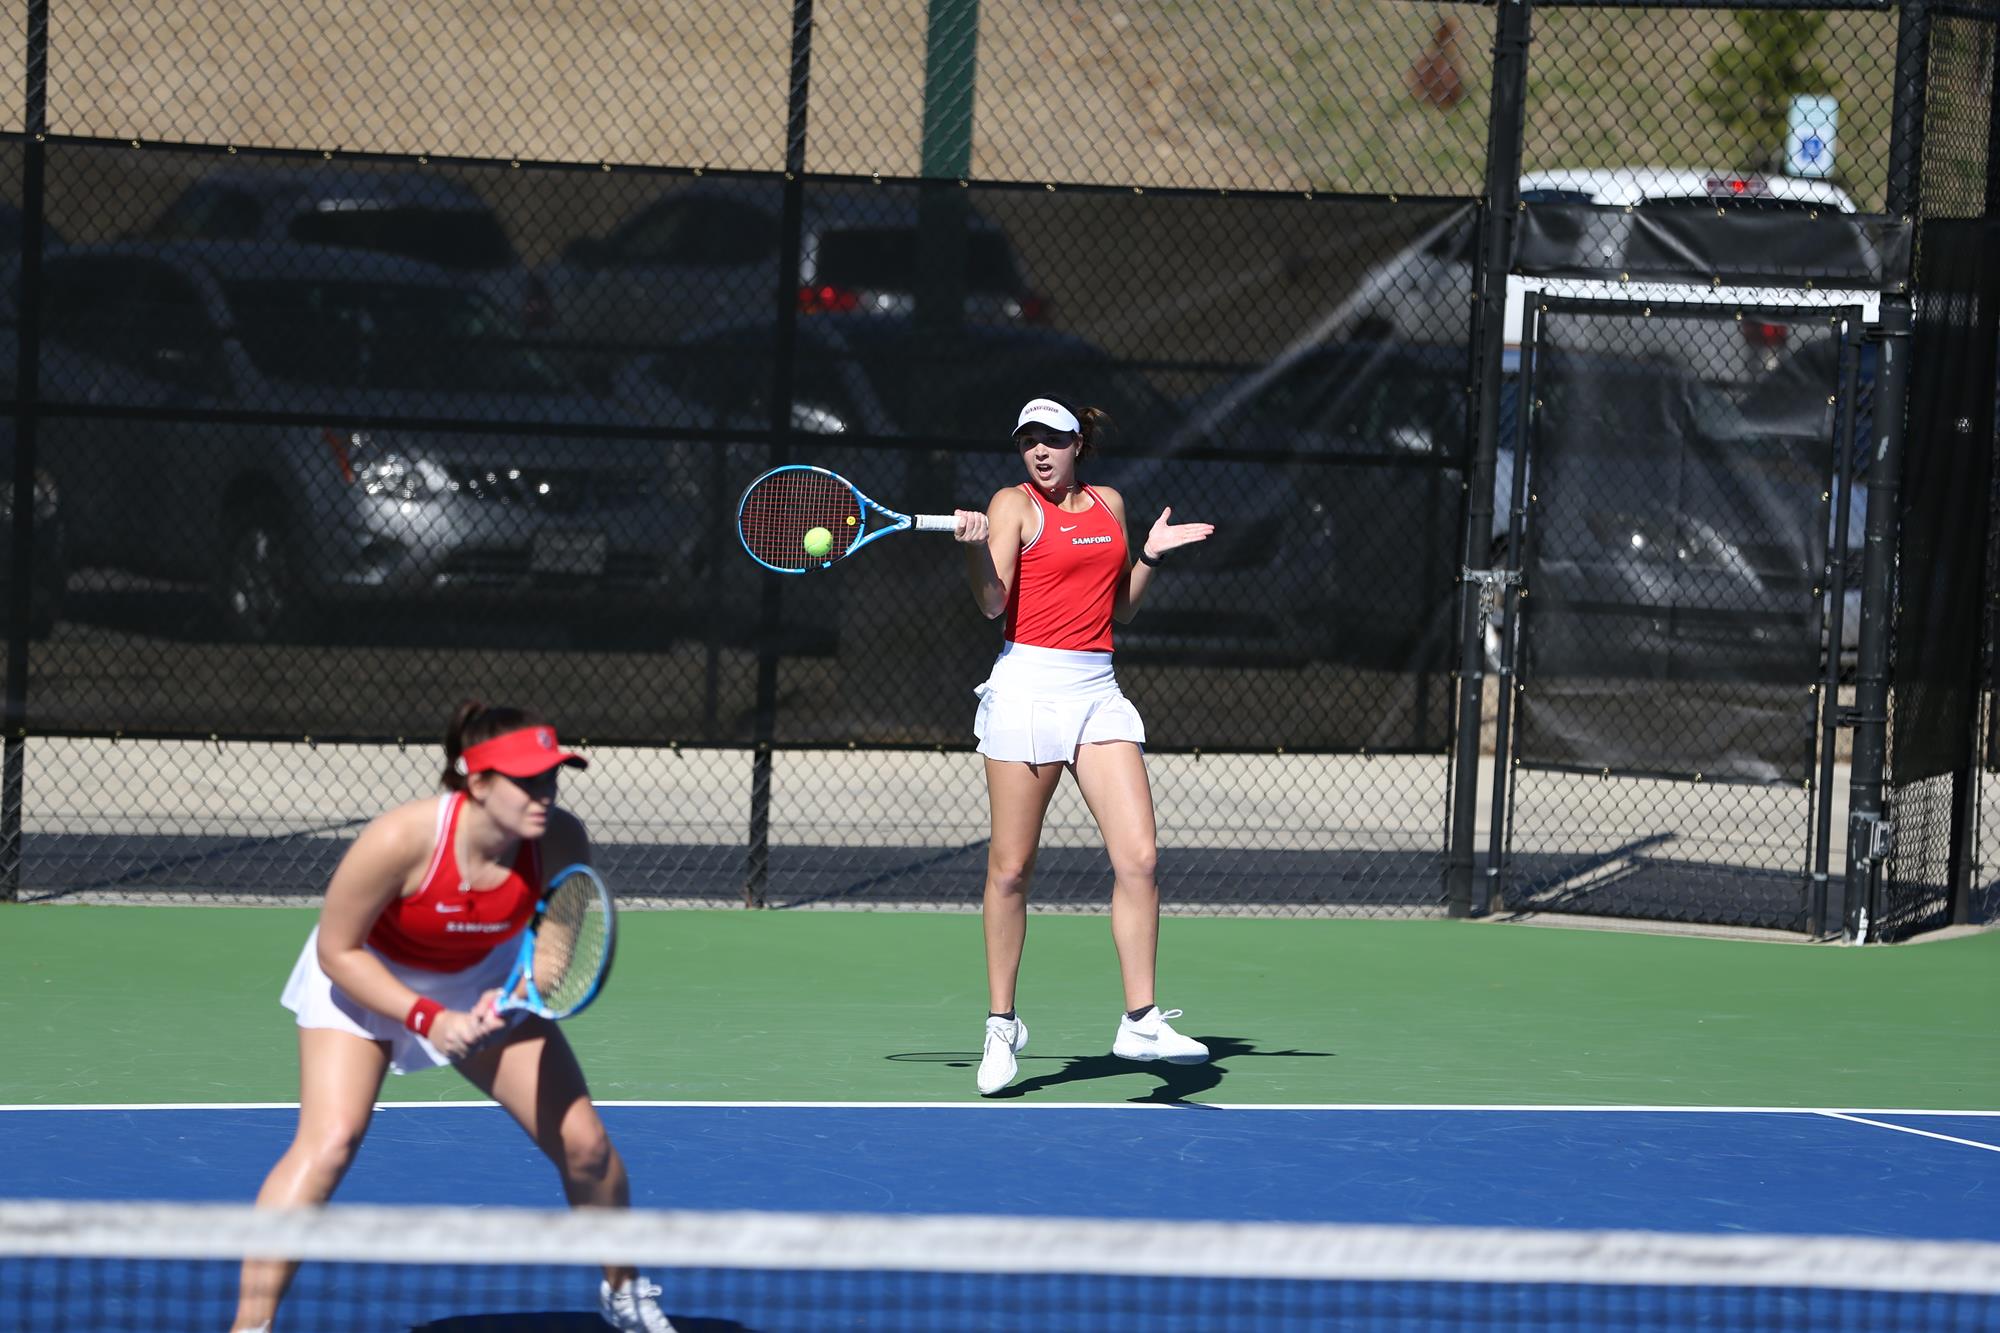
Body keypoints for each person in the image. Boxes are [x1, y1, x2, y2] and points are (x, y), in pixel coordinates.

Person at [232, 701, 675, 1333]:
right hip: (365, 977)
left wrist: (513, 996)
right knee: (329, 1144)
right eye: (527, 780)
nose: (545, 793)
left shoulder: (560, 841)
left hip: (481, 978)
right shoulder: (400, 840)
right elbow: (338, 951)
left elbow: (550, 958)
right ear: (478, 781)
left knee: (587, 1147)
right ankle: (250, 1327)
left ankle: (624, 1291)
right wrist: (429, 1018)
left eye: (551, 776)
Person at [952, 397, 1217, 1097]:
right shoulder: (1011, 505)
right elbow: (991, 603)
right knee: (1012, 870)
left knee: (1141, 858)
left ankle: (1140, 1020)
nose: (1039, 451)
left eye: (1052, 439)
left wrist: (1150, 555)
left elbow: (1120, 606)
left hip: (1097, 691)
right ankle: (1001, 1025)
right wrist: (976, 546)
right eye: (1028, 441)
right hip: (1027, 691)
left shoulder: (1110, 505)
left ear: (1078, 444)